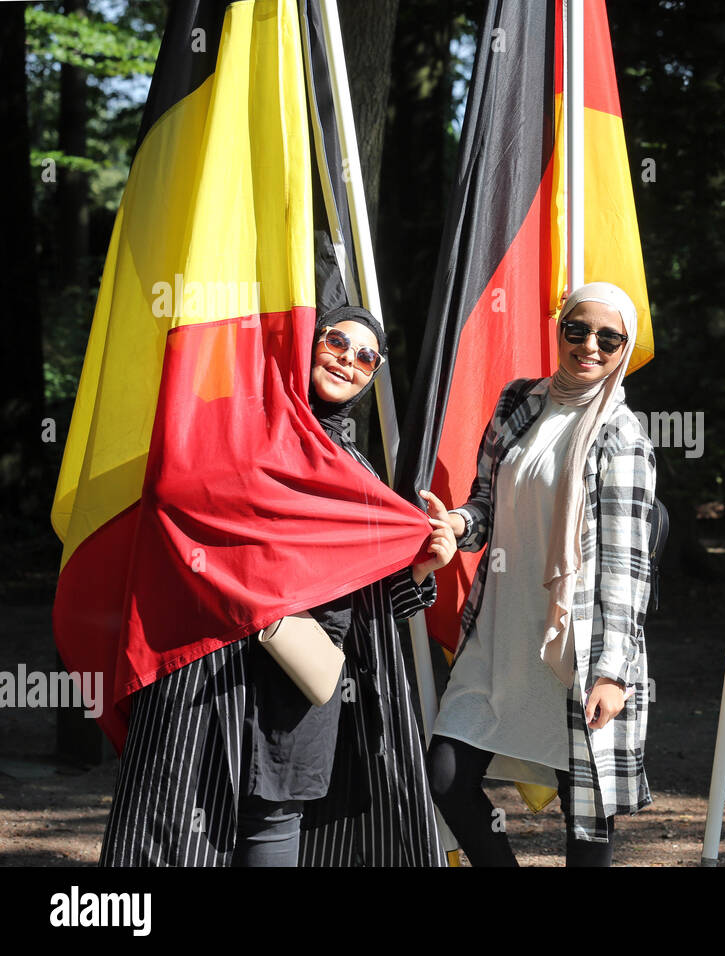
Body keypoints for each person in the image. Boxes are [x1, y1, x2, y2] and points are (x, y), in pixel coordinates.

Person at [99, 305, 456, 866]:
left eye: (367, 357)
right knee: (180, 813)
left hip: (296, 675)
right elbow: (174, 503)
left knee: (276, 819)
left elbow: (372, 598)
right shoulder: (232, 428)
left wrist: (420, 567)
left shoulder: (359, 475)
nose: (348, 361)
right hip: (208, 665)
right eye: (336, 342)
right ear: (308, 344)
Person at [425, 281, 656, 867]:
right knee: (447, 775)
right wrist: (455, 526)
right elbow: (485, 506)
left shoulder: (622, 435)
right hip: (499, 632)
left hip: (573, 647)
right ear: (559, 330)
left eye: (609, 337)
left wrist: (612, 673)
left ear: (624, 348)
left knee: (585, 820)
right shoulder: (517, 402)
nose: (590, 346)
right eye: (577, 330)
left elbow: (627, 568)